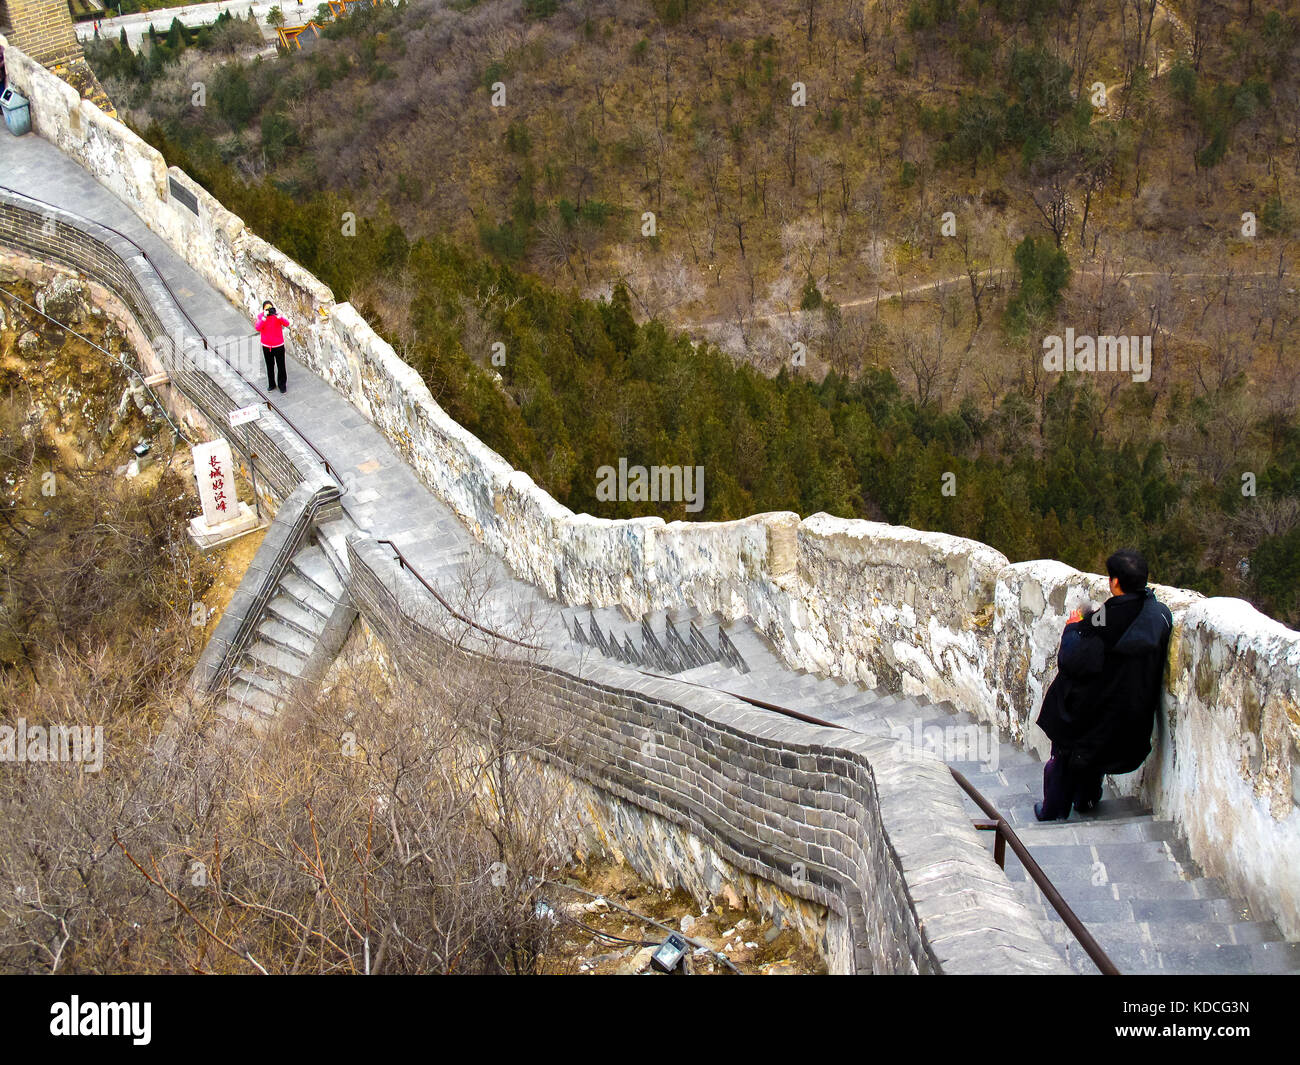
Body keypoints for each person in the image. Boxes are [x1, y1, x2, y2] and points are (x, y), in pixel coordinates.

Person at [1033, 548, 1173, 821]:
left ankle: (1054, 810)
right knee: (1094, 743)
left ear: (1115, 582)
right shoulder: (1158, 615)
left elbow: (1072, 660)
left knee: (1066, 736)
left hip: (1089, 711)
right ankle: (1086, 797)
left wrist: (1073, 627)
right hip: (1128, 714)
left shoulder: (1105, 619)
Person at [255, 300, 290, 393]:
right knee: (269, 366)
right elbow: (258, 327)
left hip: (278, 345)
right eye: (266, 309)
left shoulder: (277, 316)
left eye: (270, 308)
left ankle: (282, 385)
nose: (269, 310)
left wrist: (278, 316)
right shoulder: (261, 317)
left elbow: (286, 323)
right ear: (263, 310)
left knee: (281, 366)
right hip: (267, 346)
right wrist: (264, 317)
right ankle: (271, 384)